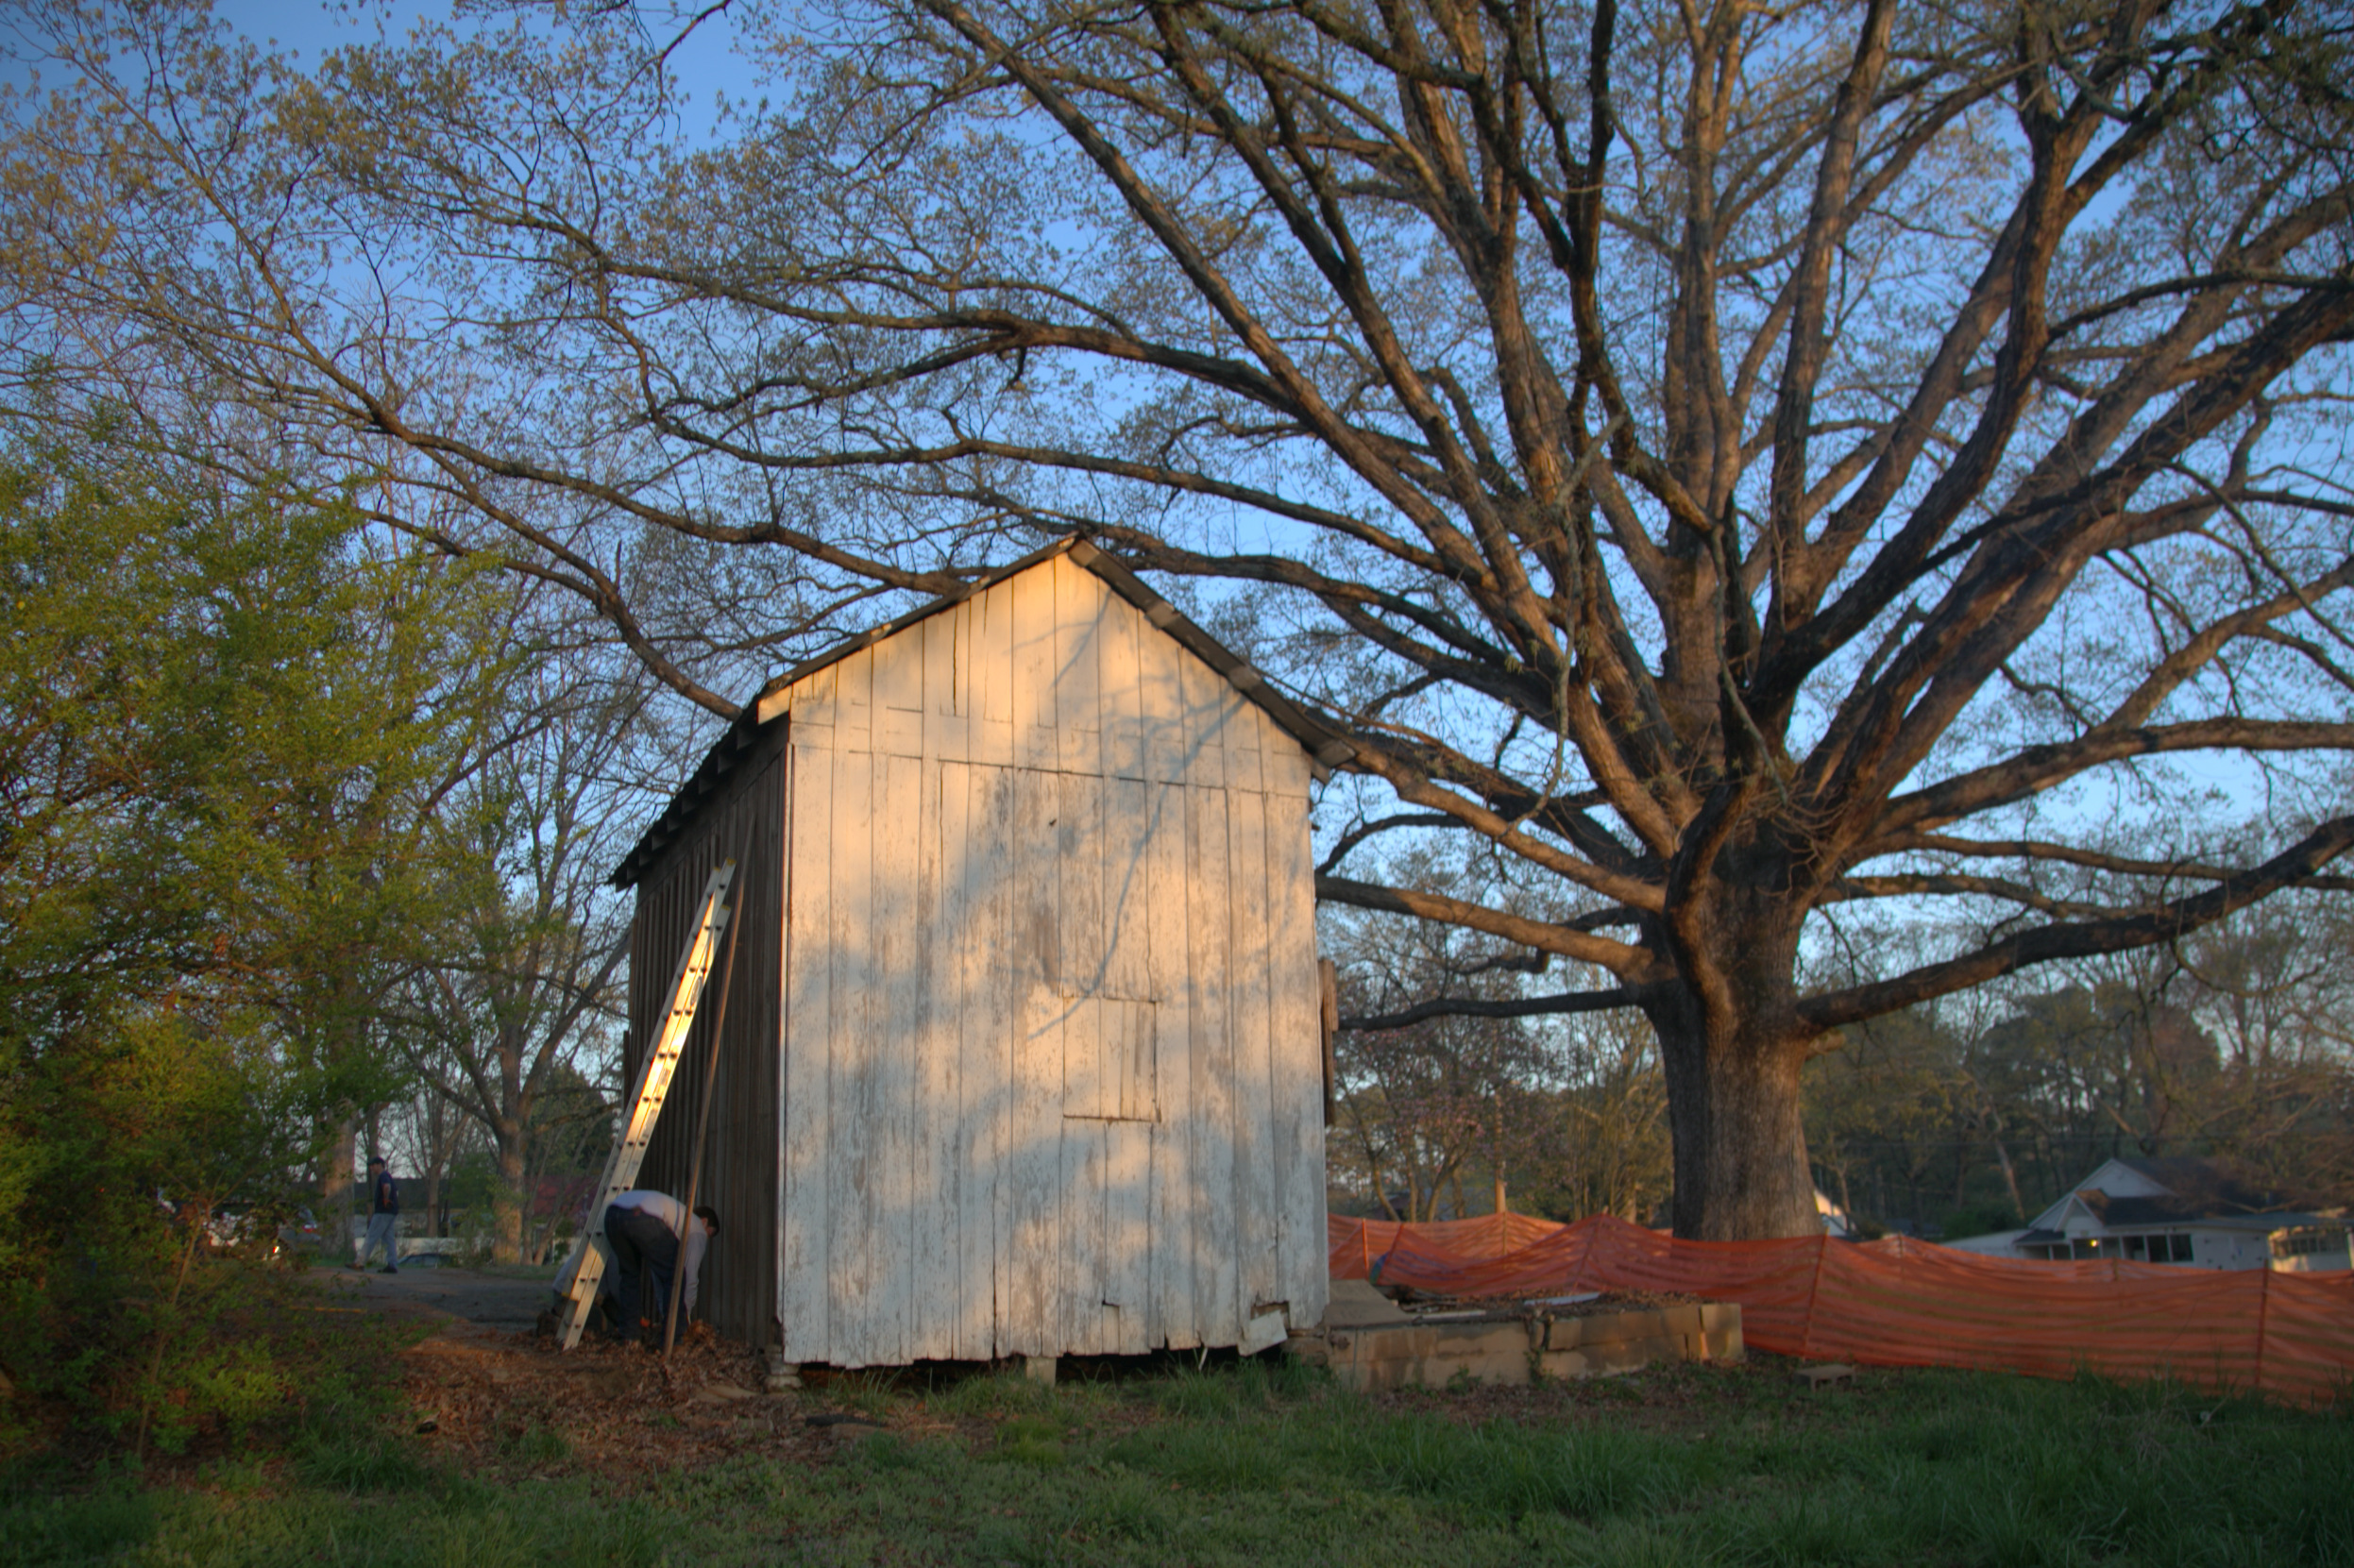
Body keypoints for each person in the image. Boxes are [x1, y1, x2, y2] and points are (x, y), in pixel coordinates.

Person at [602, 1189, 717, 1345]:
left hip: (612, 1215)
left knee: (629, 1276)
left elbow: (659, 1273)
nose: (707, 1237)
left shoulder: (676, 1217)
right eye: (710, 1233)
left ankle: (630, 1338)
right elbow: (689, 1276)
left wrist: (666, 1312)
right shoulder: (697, 1227)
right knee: (676, 1273)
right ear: (704, 1222)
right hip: (642, 1216)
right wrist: (685, 1318)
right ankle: (674, 1340)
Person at [354, 1155, 400, 1274]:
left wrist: (385, 1199)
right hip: (391, 1212)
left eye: (373, 1166)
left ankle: (359, 1263)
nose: (371, 1168)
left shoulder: (383, 1176)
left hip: (382, 1212)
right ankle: (392, 1265)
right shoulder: (388, 1175)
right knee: (389, 1239)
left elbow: (386, 1186)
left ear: (380, 1165)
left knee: (371, 1236)